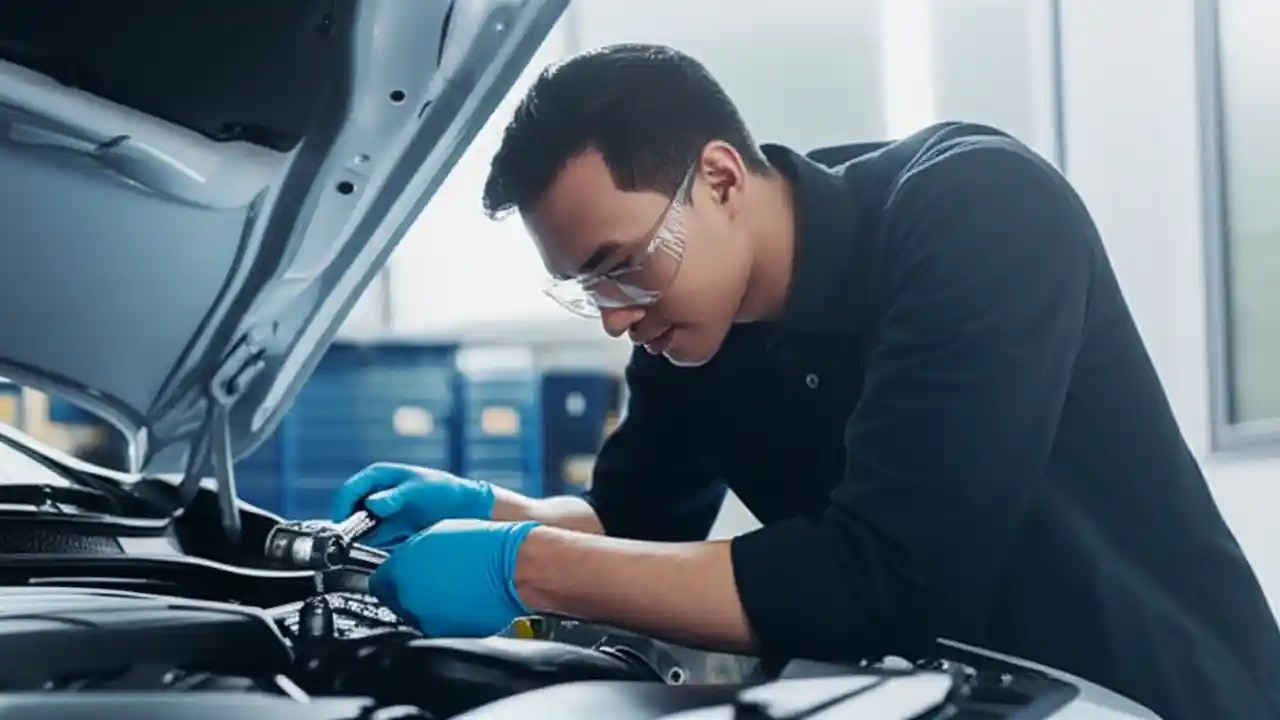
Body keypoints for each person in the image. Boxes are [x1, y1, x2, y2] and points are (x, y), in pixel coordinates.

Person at [331, 43, 1280, 719]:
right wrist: (488, 515)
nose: (616, 316)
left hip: (1140, 693)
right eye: (588, 290)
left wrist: (522, 566)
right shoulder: (695, 326)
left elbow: (886, 575)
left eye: (620, 267)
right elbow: (636, 530)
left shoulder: (977, 212)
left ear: (721, 179)